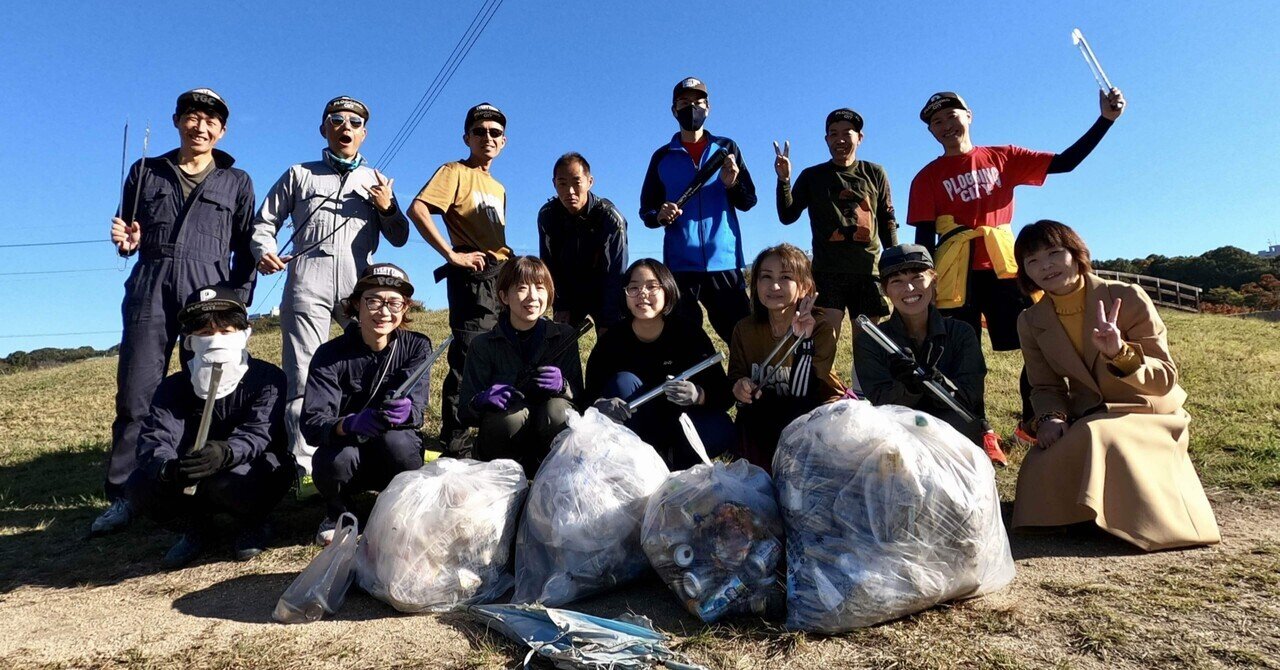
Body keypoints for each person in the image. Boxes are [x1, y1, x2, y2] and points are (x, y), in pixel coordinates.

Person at [906, 87, 1126, 445]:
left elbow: (1065, 162)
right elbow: (924, 237)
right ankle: (975, 430)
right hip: (953, 275)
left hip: (1006, 268)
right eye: (936, 122)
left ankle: (1033, 418)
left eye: (951, 115)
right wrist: (924, 283)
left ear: (969, 115)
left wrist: (1106, 120)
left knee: (1039, 342)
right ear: (931, 132)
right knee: (961, 355)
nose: (945, 125)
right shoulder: (926, 177)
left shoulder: (1003, 157)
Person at [96, 88, 257, 536]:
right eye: (192, 116)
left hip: (208, 290)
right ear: (177, 120)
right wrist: (126, 241)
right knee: (136, 392)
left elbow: (245, 247)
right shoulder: (145, 171)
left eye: (210, 121)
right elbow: (127, 231)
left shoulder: (237, 181)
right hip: (151, 281)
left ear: (222, 131)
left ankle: (199, 487)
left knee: (208, 387)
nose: (200, 126)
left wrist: (236, 301)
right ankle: (126, 495)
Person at [1011, 220, 1219, 551]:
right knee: (1039, 461)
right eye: (1032, 260)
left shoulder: (1125, 296)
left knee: (1098, 435)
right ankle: (1082, 519)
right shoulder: (1031, 320)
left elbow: (1165, 376)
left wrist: (1120, 353)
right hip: (1090, 414)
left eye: (1054, 253)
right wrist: (1051, 416)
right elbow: (1044, 384)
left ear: (1076, 254)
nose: (1045, 266)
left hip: (1147, 409)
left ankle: (1136, 525)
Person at [251, 95, 411, 479]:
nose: (346, 128)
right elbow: (264, 222)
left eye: (355, 124)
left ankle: (366, 443)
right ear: (324, 128)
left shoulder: (376, 181)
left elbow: (400, 236)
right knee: (303, 372)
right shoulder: (299, 174)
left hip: (361, 284)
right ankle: (305, 466)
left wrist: (388, 206)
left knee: (367, 361)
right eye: (337, 120)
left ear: (364, 135)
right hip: (308, 279)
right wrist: (265, 250)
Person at [125, 286, 292, 569]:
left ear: (244, 334)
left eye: (226, 332)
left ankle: (253, 521)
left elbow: (259, 432)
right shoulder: (174, 386)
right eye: (204, 334)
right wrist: (169, 468)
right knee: (141, 486)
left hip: (248, 467)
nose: (215, 341)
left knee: (231, 480)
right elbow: (156, 436)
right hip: (192, 469)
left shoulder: (267, 378)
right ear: (189, 341)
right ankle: (197, 524)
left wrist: (225, 452)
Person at [301, 264, 433, 545]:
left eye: (394, 302)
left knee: (400, 444)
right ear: (355, 305)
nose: (384, 312)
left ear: (405, 308)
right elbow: (313, 423)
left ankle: (401, 508)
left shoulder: (417, 346)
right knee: (332, 460)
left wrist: (406, 410)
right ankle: (340, 512)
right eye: (373, 300)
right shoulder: (329, 355)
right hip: (348, 452)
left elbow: (418, 409)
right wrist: (346, 424)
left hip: (392, 446)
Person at [409, 103, 511, 454]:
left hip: (501, 276)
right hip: (473, 276)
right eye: (479, 131)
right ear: (467, 137)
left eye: (494, 133)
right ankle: (457, 439)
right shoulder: (454, 171)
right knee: (470, 354)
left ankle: (492, 432)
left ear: (503, 142)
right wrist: (452, 255)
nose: (487, 137)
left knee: (500, 352)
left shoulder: (497, 187)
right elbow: (418, 209)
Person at [854, 244, 1007, 466]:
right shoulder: (871, 339)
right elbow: (880, 401)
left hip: (956, 439)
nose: (908, 288)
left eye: (917, 277)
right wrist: (908, 387)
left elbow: (970, 396)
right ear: (885, 290)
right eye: (896, 281)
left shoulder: (961, 332)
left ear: (934, 281)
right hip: (897, 441)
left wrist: (938, 383)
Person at [639, 77, 757, 344]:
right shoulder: (662, 157)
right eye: (684, 102)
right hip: (680, 267)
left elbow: (749, 200)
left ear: (708, 108)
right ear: (673, 109)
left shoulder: (727, 149)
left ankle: (747, 385)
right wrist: (659, 215)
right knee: (684, 340)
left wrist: (733, 184)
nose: (691, 108)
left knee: (743, 338)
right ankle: (696, 386)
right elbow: (646, 210)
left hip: (724, 262)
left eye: (697, 102)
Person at [586, 259, 735, 469]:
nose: (642, 293)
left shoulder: (689, 334)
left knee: (721, 429)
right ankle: (643, 462)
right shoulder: (612, 341)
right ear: (624, 294)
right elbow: (589, 394)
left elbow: (724, 394)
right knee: (623, 382)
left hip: (682, 424)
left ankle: (675, 461)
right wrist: (600, 404)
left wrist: (698, 394)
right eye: (634, 288)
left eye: (651, 286)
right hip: (636, 428)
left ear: (667, 290)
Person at [459, 256, 584, 478]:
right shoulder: (482, 345)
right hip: (502, 445)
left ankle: (557, 477)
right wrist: (481, 400)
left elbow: (581, 398)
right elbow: (465, 411)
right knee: (510, 418)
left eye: (540, 287)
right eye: (522, 288)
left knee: (558, 411)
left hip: (550, 436)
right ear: (503, 296)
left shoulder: (564, 336)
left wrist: (563, 386)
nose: (533, 297)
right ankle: (505, 481)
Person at [775, 108, 897, 335]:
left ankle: (864, 372)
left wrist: (896, 263)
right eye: (833, 134)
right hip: (827, 272)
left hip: (866, 271)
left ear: (859, 138)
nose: (839, 139)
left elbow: (887, 218)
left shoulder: (874, 172)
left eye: (847, 133)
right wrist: (784, 181)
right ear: (826, 139)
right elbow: (787, 216)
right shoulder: (812, 176)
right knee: (825, 339)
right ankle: (822, 373)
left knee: (868, 342)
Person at [729, 244, 844, 471]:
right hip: (766, 411)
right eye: (766, 277)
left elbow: (808, 393)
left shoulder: (821, 327)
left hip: (815, 410)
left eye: (785, 277)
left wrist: (805, 341)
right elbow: (736, 376)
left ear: (805, 287)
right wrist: (739, 386)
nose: (774, 286)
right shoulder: (744, 329)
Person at [537, 152, 628, 332]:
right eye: (562, 184)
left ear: (590, 182)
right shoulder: (547, 215)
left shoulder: (610, 217)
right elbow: (548, 264)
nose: (570, 191)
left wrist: (609, 317)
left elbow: (616, 272)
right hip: (568, 291)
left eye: (577, 183)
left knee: (612, 342)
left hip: (603, 290)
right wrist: (561, 304)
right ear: (554, 184)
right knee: (561, 342)